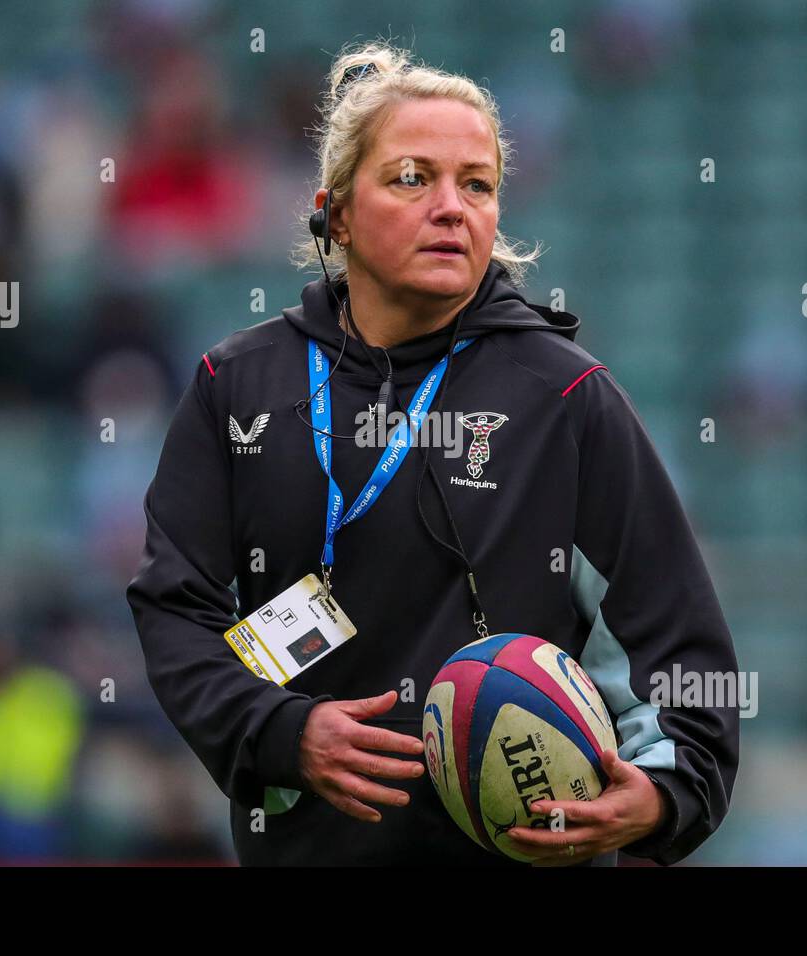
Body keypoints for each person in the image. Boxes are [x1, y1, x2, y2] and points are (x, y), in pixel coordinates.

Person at [126, 41, 739, 866]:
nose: (453, 207)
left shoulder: (564, 400)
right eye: (413, 178)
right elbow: (177, 612)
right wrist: (279, 731)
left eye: (477, 185)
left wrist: (662, 793)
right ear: (335, 213)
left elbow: (679, 652)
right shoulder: (236, 386)